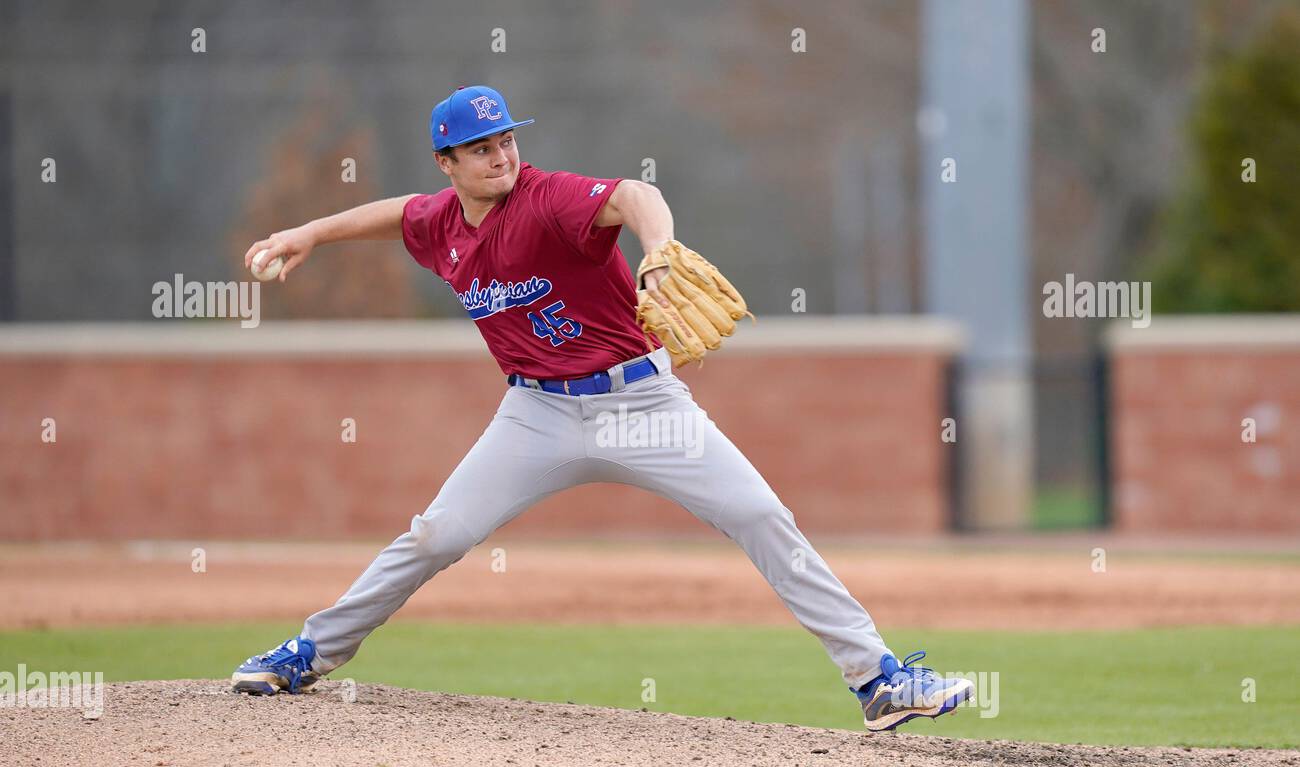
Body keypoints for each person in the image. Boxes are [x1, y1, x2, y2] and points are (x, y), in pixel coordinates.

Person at [232, 85, 973, 732]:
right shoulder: (444, 225)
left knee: (760, 516)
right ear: (447, 164)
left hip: (641, 400)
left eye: (506, 140)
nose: (500, 156)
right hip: (535, 416)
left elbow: (632, 196)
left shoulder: (549, 199)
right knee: (435, 536)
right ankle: (308, 653)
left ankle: (877, 681)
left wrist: (660, 248)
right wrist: (309, 233)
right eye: (479, 148)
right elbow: (400, 214)